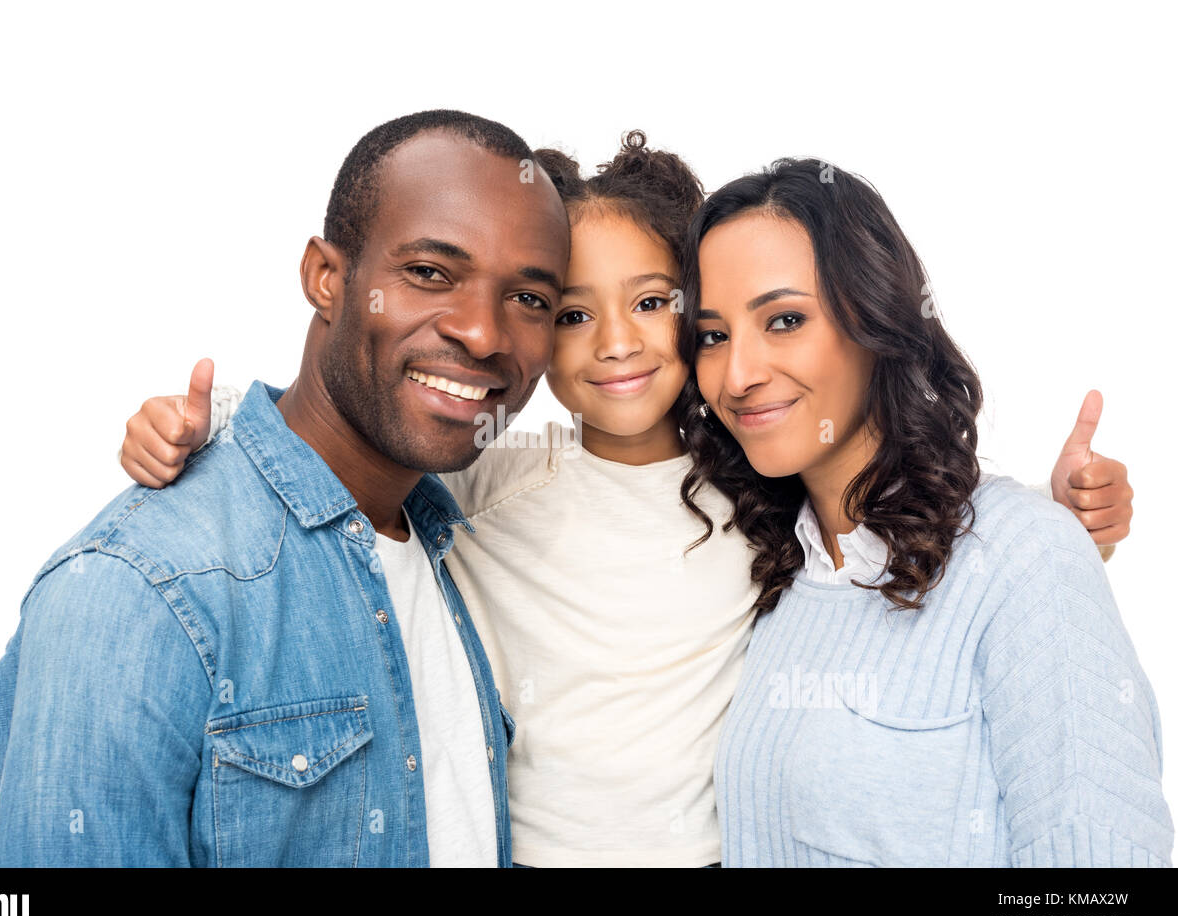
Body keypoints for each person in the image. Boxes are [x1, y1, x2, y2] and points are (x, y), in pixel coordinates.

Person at [118, 135, 1137, 866]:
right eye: (569, 313)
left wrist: (1031, 534)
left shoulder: (759, 501)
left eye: (656, 305)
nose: (616, 343)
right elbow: (351, 455)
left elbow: (912, 568)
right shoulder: (485, 482)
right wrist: (201, 436)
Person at [0, 109, 570, 867]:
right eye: (430, 273)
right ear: (327, 278)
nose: (485, 334)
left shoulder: (452, 541)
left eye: (529, 299)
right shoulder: (139, 589)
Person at [682, 157, 1172, 866]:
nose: (738, 374)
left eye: (785, 319)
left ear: (874, 319)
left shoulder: (1028, 560)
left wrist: (1058, 524)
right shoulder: (773, 580)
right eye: (713, 334)